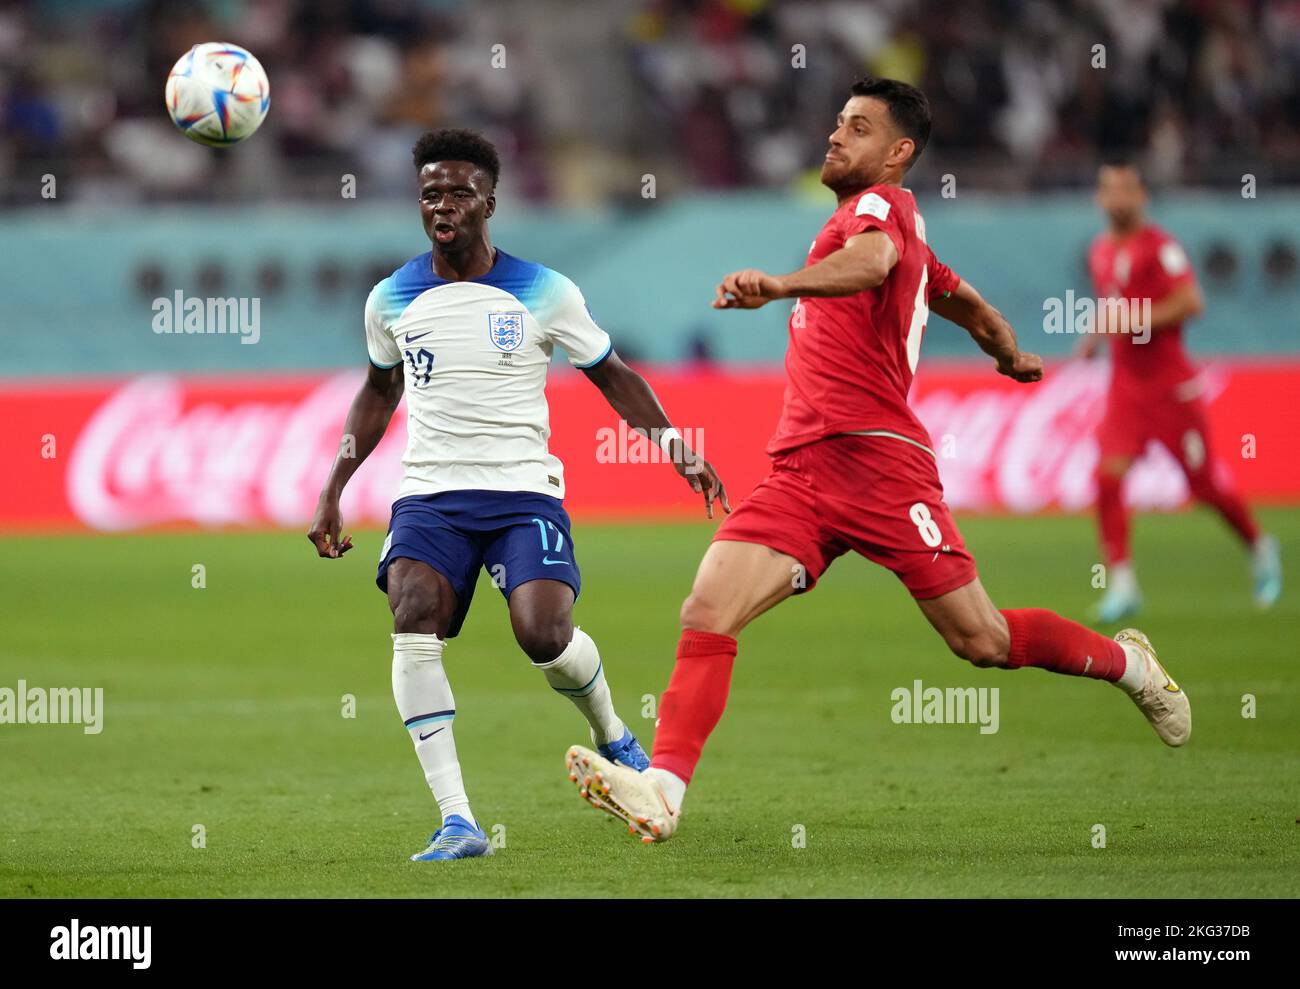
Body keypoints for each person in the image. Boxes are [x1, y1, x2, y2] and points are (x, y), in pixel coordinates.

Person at [564, 79, 1190, 846]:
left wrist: (780, 285)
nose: (834, 137)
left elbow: (873, 261)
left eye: (856, 128)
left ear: (897, 155)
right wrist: (1009, 354)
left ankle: (1127, 665)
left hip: (879, 464)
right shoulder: (895, 237)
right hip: (800, 469)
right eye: (836, 123)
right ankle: (663, 790)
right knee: (707, 609)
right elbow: (969, 304)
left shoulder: (883, 211)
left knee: (981, 641)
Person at [308, 129, 727, 860]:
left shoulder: (545, 289)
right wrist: (335, 486)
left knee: (544, 634)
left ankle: (612, 733)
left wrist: (675, 445)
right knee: (412, 613)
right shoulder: (391, 297)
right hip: (430, 495)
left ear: (490, 202)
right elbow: (378, 393)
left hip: (523, 492)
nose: (443, 205)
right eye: (431, 192)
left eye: (459, 192)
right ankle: (458, 820)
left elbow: (612, 374)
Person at [1081, 160, 1281, 623]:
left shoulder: (1161, 247)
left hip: (1172, 389)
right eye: (1109, 190)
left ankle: (1259, 544)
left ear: (1142, 197)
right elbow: (1113, 304)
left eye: (1127, 190)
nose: (1118, 199)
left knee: (1204, 486)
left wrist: (1135, 321)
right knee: (1108, 477)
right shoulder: (1100, 250)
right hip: (1126, 388)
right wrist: (1093, 337)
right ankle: (1124, 582)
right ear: (1100, 198)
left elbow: (1191, 302)